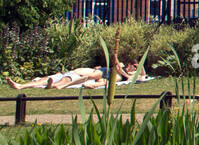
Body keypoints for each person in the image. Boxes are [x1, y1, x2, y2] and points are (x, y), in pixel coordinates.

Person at [6, 61, 139, 90]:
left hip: (78, 75)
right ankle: (20, 86)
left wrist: (134, 70)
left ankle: (53, 86)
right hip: (75, 72)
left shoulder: (120, 76)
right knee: (44, 79)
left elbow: (138, 76)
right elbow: (117, 65)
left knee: (63, 80)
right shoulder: (117, 67)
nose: (134, 69)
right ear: (129, 64)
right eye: (134, 66)